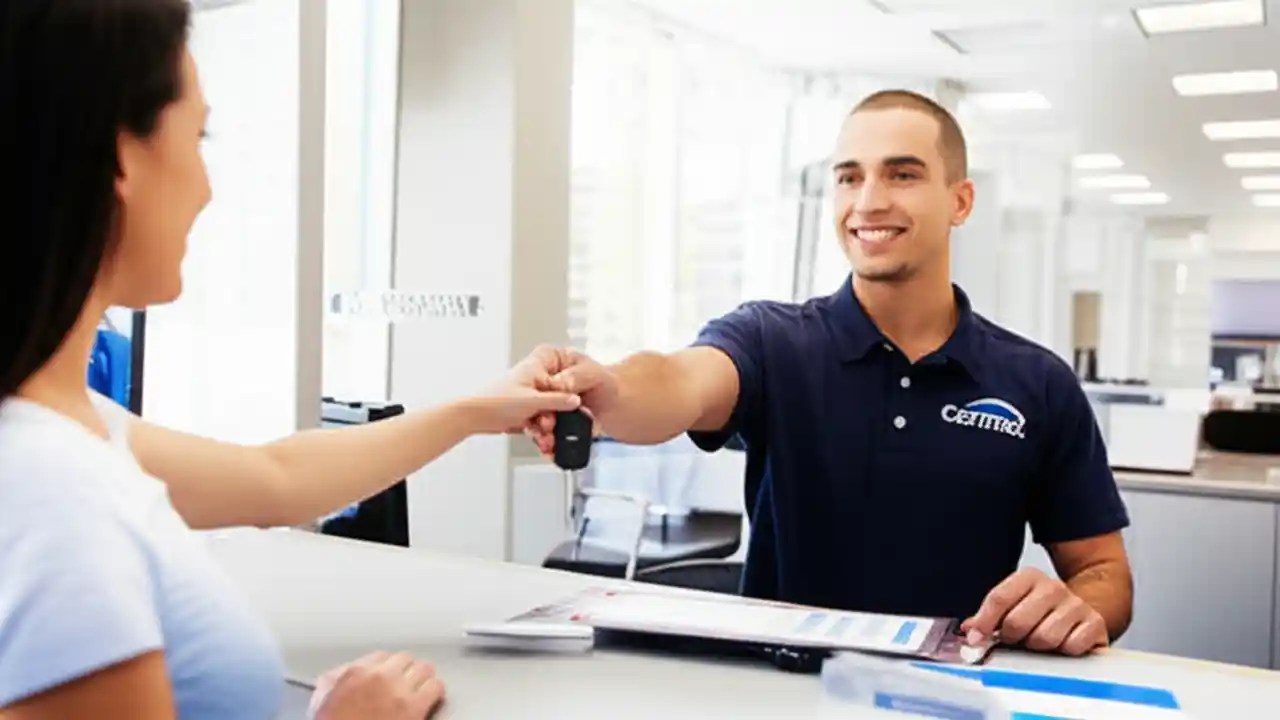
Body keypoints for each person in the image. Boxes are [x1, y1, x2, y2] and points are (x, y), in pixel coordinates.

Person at [0, 1, 580, 718]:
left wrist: (474, 412)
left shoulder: (65, 431)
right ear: (122, 156)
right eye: (199, 135)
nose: (209, 189)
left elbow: (275, 478)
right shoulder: (55, 492)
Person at [528, 90, 1133, 657]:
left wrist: (1077, 607)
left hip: (951, 700)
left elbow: (1106, 576)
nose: (868, 200)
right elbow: (677, 382)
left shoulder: (1039, 383)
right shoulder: (772, 340)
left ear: (960, 201)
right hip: (782, 697)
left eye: (902, 173)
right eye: (849, 176)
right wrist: (608, 389)